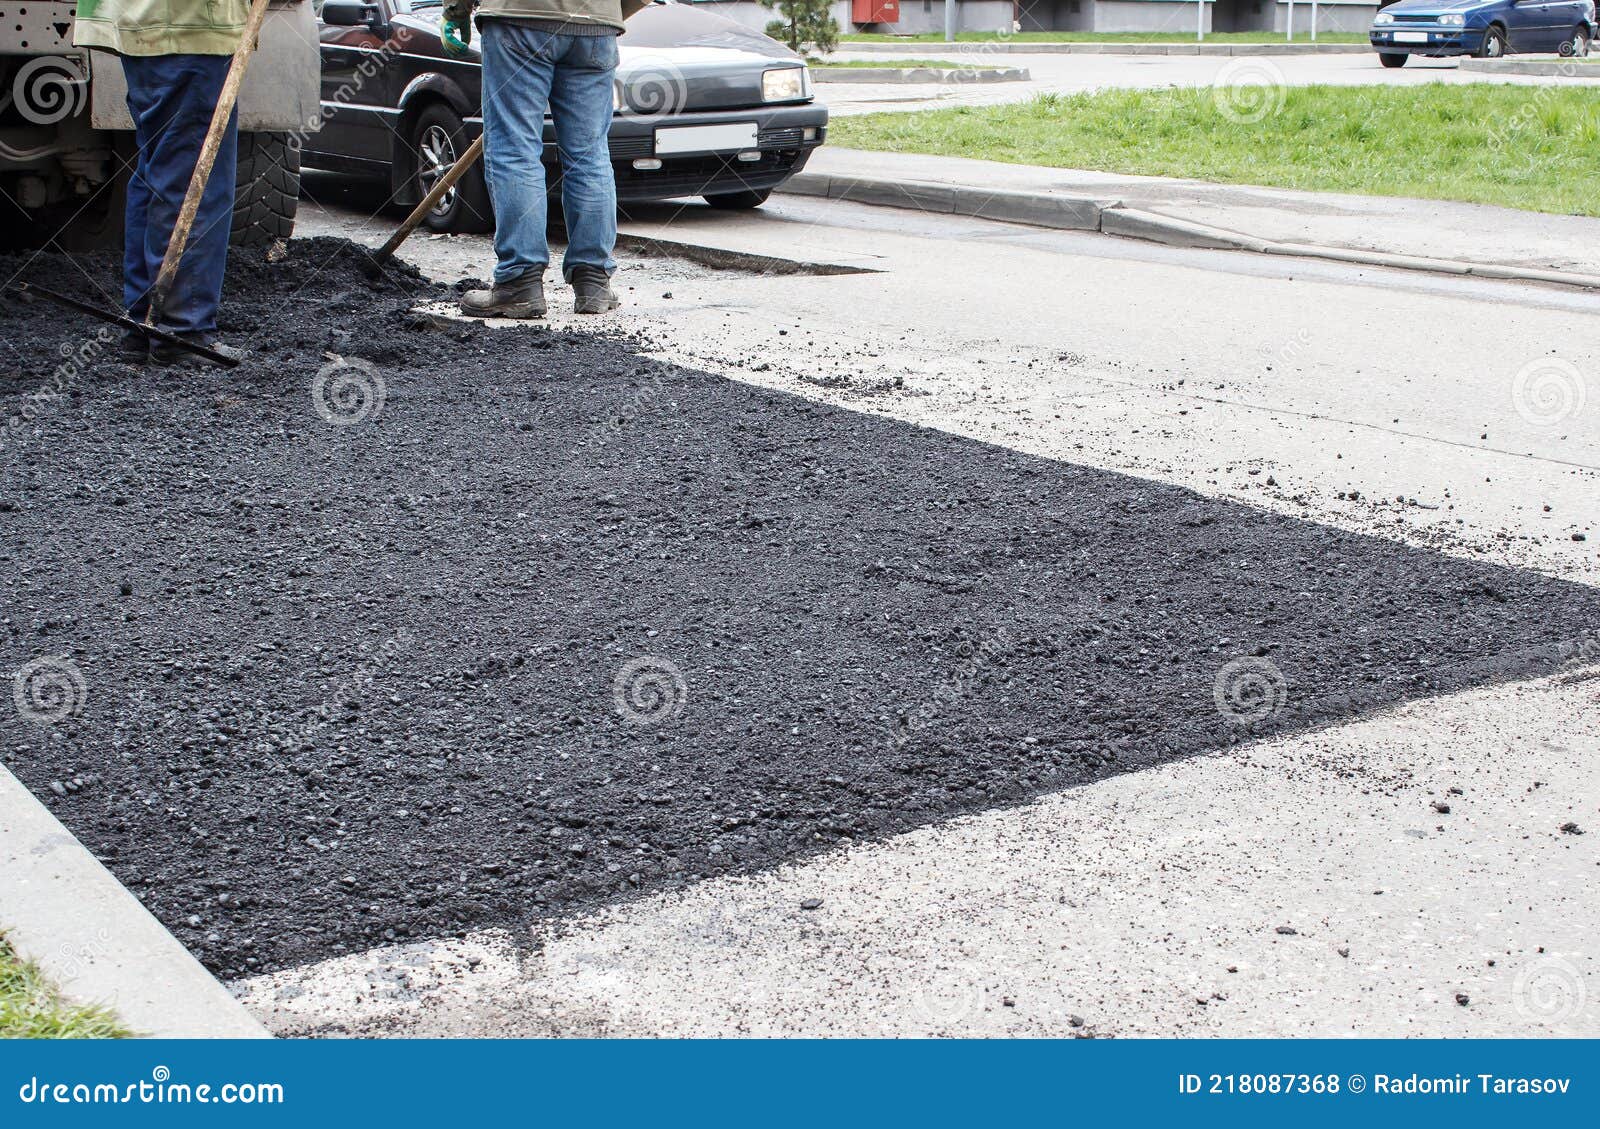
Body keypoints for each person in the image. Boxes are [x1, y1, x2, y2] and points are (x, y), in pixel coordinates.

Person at [442, 0, 645, 318]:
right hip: (595, 27)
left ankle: (520, 282)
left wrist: (456, 10)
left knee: (514, 149)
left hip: (520, 17)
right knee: (589, 155)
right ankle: (593, 282)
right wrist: (603, 10)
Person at [74, 0, 246, 365]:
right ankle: (181, 328)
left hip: (147, 24)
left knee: (158, 171)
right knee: (193, 177)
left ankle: (145, 321)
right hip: (189, 25)